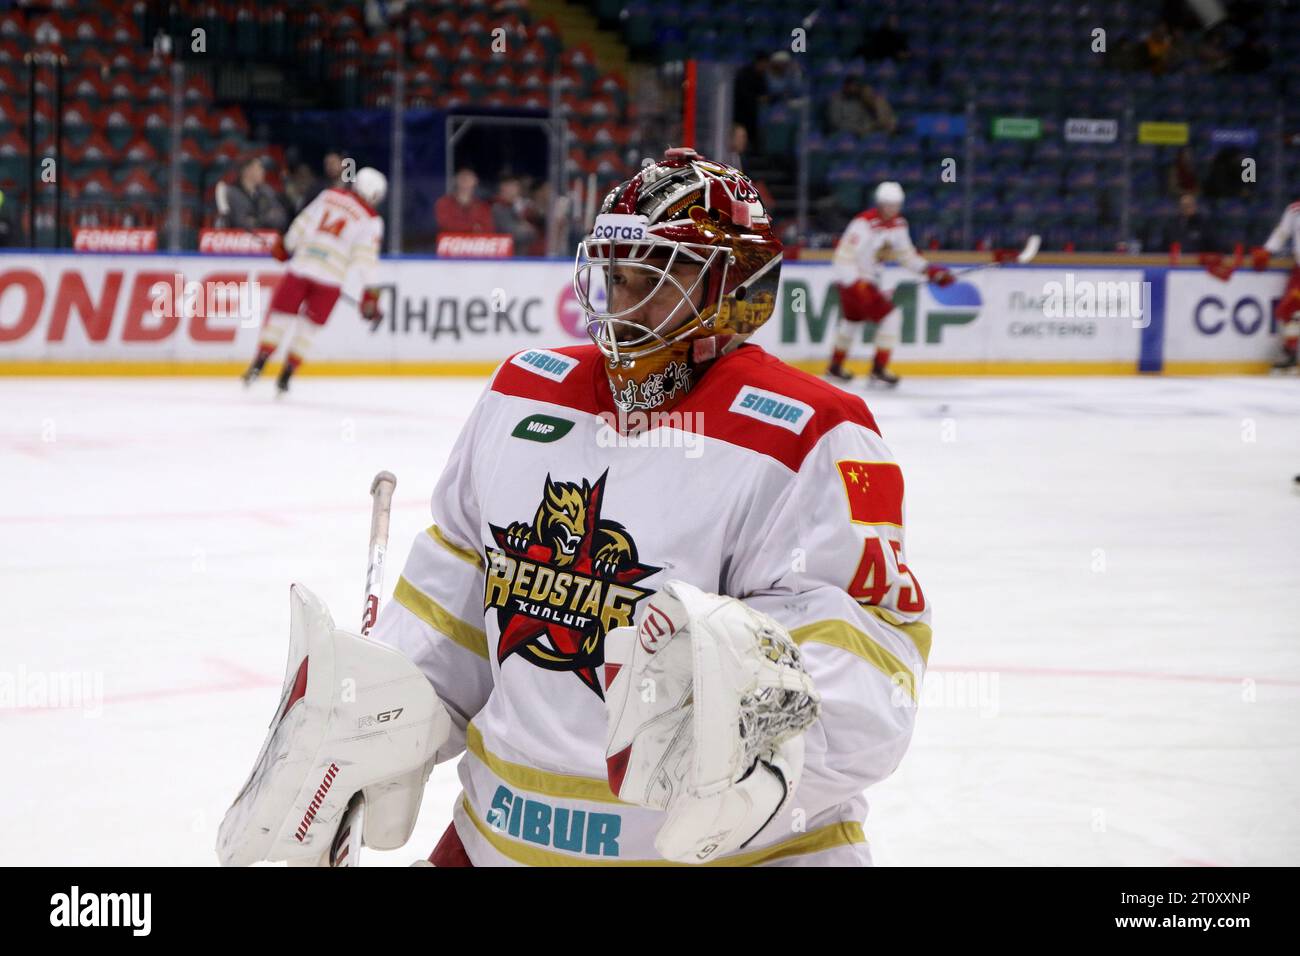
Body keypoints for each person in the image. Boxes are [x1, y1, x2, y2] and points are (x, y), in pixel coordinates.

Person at [217, 148, 930, 868]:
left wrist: (745, 730)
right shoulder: (522, 392)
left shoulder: (815, 435)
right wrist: (374, 714)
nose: (626, 303)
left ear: (735, 290)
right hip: (498, 838)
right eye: (618, 275)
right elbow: (452, 622)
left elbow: (869, 692)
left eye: (659, 278)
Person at [240, 167, 387, 394]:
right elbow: (366, 261)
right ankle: (286, 375)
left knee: (280, 318)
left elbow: (302, 223)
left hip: (301, 267)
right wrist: (371, 295)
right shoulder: (371, 220)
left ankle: (258, 364)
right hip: (331, 279)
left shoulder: (329, 195)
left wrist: (287, 246)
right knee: (309, 328)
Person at [827, 181, 954, 386]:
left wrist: (931, 271)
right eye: (887, 205)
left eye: (895, 205)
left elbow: (907, 256)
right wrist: (855, 283)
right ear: (879, 203)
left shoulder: (899, 225)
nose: (891, 210)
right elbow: (842, 257)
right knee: (891, 318)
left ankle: (835, 367)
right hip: (855, 282)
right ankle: (879, 368)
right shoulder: (863, 223)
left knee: (851, 322)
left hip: (866, 283)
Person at [1251, 200, 1300, 369]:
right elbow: (1282, 233)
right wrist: (1267, 250)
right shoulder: (1294, 210)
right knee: (1289, 309)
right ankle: (1291, 352)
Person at [222, 156, 288, 231]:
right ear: (247, 171)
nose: (263, 171)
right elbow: (241, 222)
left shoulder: (266, 190)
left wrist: (259, 221)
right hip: (242, 240)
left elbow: (281, 218)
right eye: (259, 168)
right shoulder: (233, 193)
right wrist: (266, 219)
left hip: (267, 237)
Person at [828, 77, 897, 137]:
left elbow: (890, 119)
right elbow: (836, 123)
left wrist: (886, 126)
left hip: (876, 132)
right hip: (850, 133)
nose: (867, 95)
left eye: (870, 93)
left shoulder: (880, 102)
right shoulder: (839, 101)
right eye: (865, 93)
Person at [491, 175, 542, 255]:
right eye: (508, 186)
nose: (512, 190)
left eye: (514, 186)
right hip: (503, 255)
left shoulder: (524, 207)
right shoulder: (496, 208)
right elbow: (513, 233)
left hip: (524, 256)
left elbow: (536, 234)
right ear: (501, 188)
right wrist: (527, 228)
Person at [434, 167, 493, 236]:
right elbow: (446, 225)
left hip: (476, 245)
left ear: (476, 181)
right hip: (451, 244)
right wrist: (473, 227)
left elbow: (488, 229)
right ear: (455, 180)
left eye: (469, 177)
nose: (465, 180)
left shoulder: (483, 207)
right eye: (462, 177)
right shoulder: (443, 203)